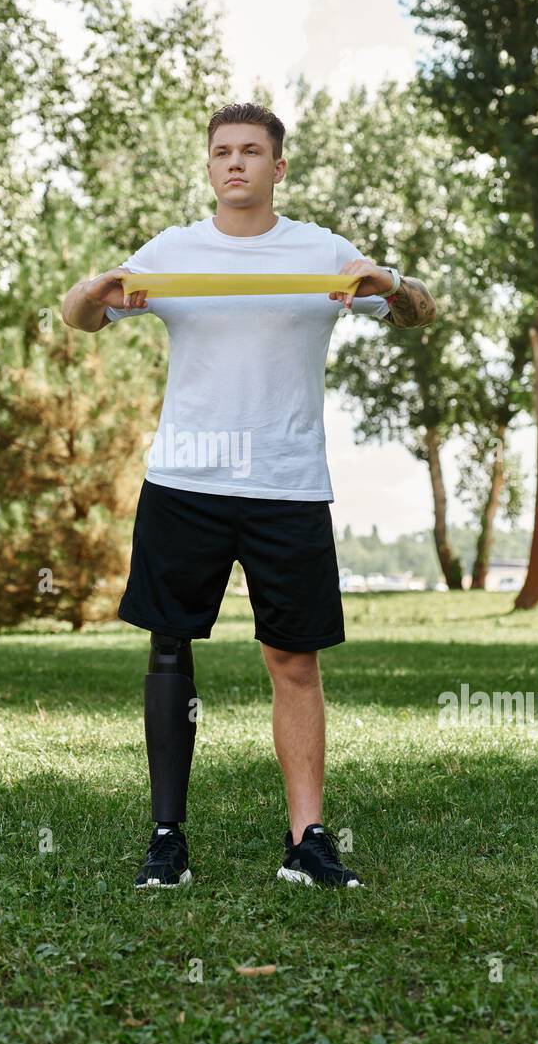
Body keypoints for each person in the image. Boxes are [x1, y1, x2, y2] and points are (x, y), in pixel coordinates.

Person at [60, 102, 437, 890]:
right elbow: (82, 319)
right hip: (186, 479)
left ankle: (307, 840)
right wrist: (94, 291)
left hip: (287, 484)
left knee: (292, 658)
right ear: (209, 165)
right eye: (223, 151)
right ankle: (167, 839)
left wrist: (390, 283)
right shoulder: (172, 251)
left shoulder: (321, 250)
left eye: (252, 152)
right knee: (169, 646)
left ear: (278, 167)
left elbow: (415, 314)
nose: (236, 163)